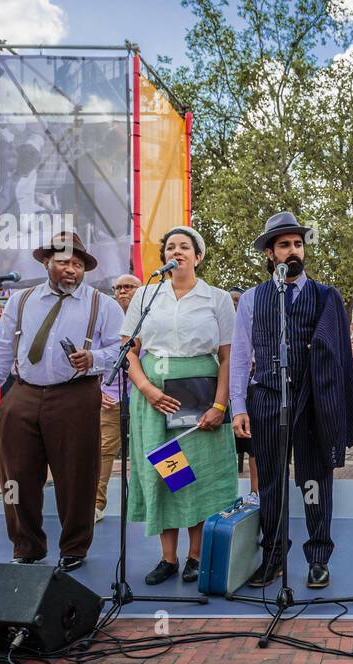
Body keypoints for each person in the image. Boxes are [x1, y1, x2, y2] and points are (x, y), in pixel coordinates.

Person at [229, 211, 353, 589]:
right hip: (267, 399)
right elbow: (240, 356)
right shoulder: (254, 298)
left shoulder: (325, 296)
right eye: (285, 244)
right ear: (271, 253)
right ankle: (272, 555)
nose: (293, 250)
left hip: (312, 403)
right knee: (270, 483)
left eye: (298, 243)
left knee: (314, 481)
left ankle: (318, 557)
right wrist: (238, 405)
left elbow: (337, 356)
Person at [0, 232, 123, 570]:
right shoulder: (21, 300)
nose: (71, 270)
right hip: (23, 391)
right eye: (63, 262)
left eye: (77, 264)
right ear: (47, 263)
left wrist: (95, 359)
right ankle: (26, 547)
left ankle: (74, 548)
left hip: (77, 394)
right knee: (16, 475)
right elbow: (0, 349)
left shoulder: (103, 305)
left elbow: (123, 349)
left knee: (77, 476)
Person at [122, 226, 238, 586]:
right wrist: (145, 388)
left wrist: (220, 405)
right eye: (170, 246)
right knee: (167, 471)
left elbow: (229, 355)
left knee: (196, 474)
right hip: (155, 400)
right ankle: (167, 557)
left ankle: (196, 555)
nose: (177, 251)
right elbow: (128, 349)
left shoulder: (216, 298)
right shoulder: (146, 295)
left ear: (198, 256)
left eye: (185, 246)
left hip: (199, 396)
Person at [95, 273, 141, 523]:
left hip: (147, 395)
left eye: (128, 287)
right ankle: (96, 504)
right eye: (118, 288)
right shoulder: (104, 318)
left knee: (161, 447)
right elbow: (96, 357)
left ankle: (173, 498)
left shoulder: (151, 315)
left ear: (141, 289)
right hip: (111, 395)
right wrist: (98, 391)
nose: (122, 291)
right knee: (103, 449)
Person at [228, 286, 259, 505]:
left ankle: (256, 491)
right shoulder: (220, 325)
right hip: (221, 391)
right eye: (231, 301)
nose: (234, 304)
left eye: (237, 300)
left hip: (250, 389)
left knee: (253, 446)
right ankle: (224, 494)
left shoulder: (251, 323)